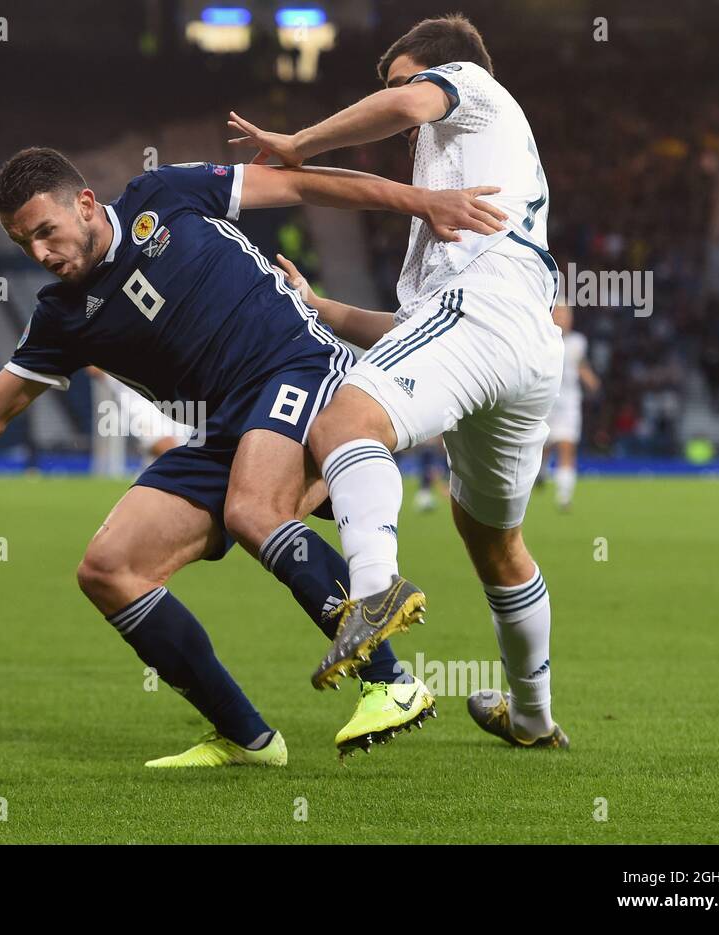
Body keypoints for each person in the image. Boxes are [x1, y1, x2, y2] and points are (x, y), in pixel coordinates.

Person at [0, 146, 507, 764]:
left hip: (297, 367)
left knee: (251, 508)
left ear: (86, 204)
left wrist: (424, 201)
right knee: (110, 567)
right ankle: (246, 736)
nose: (39, 251)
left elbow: (300, 183)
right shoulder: (64, 315)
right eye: (21, 241)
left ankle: (392, 681)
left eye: (45, 230)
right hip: (224, 429)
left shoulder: (167, 194)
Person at [229, 13, 570, 748]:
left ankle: (374, 588)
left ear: (443, 73)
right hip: (520, 344)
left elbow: (409, 104)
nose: (400, 103)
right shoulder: (464, 180)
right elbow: (415, 332)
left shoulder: (473, 87)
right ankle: (534, 716)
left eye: (402, 79)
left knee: (343, 422)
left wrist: (297, 145)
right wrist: (322, 309)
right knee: (494, 541)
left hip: (486, 315)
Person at [544, 304, 600, 511]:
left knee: (567, 447)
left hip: (568, 402)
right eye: (558, 313)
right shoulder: (541, 338)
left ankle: (564, 496)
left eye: (565, 314)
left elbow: (580, 365)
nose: (562, 318)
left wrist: (591, 381)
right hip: (544, 402)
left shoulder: (578, 342)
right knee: (542, 448)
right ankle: (541, 473)